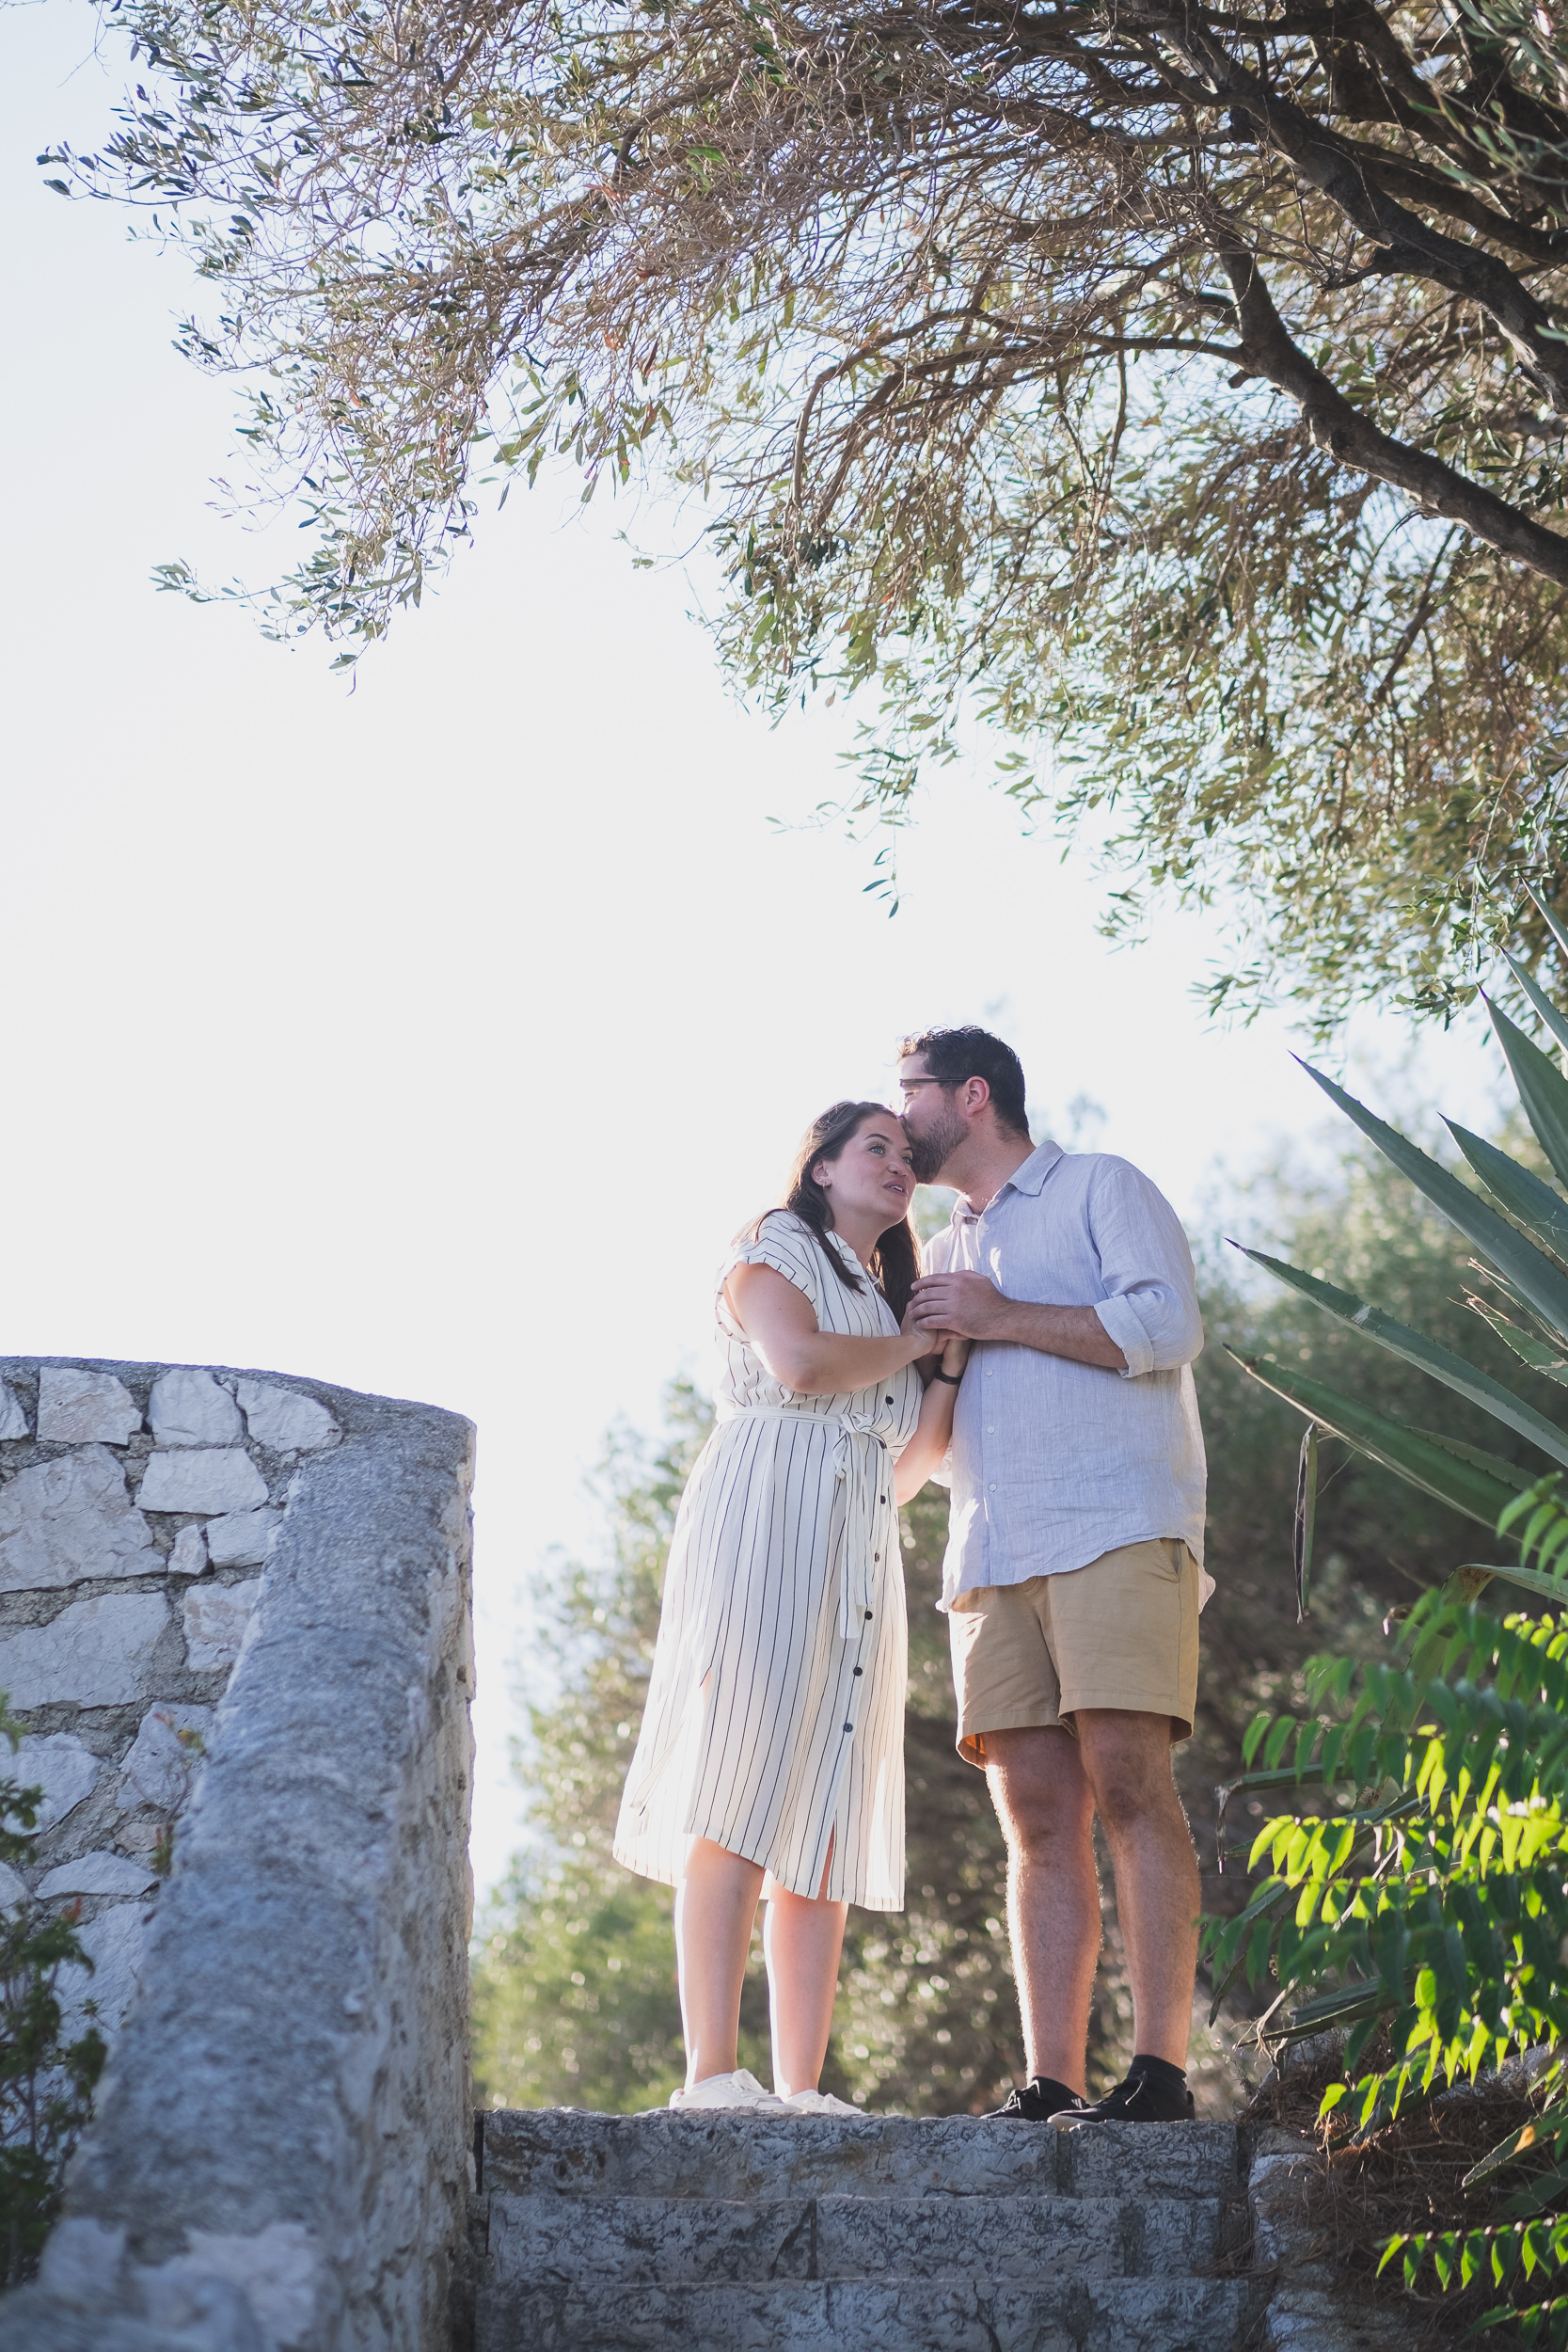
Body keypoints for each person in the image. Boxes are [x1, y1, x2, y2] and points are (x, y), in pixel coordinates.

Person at [613, 1101, 969, 2114]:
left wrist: (944, 1361)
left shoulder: (884, 1291)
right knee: (739, 1780)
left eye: (909, 1156)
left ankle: (803, 2090)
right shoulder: (772, 1243)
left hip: (856, 1539)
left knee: (826, 1809)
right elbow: (801, 1365)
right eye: (876, 1148)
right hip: (763, 1514)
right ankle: (711, 2075)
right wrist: (909, 1345)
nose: (899, 1166)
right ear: (818, 1166)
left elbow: (908, 1470)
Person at [898, 1026, 1211, 2127]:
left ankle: (1161, 2077)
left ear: (972, 1096)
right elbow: (925, 1432)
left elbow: (1166, 1324)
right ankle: (1050, 2082)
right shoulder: (936, 1255)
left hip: (1116, 1525)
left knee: (1128, 1781)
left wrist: (998, 1318)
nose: (897, 1115)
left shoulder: (1097, 1186)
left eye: (913, 1092)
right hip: (987, 1553)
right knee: (1034, 1817)